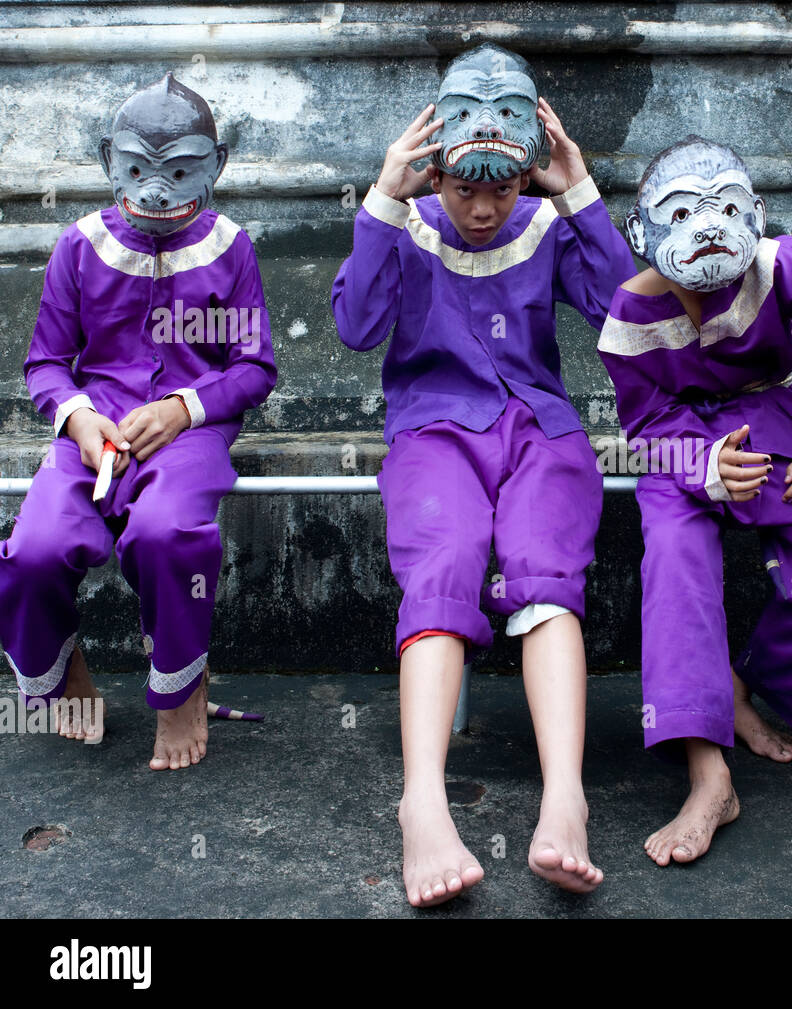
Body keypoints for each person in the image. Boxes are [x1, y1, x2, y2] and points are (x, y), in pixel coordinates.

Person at [332, 43, 635, 905]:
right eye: (464, 186)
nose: (480, 206)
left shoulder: (540, 223)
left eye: (501, 187)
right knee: (445, 557)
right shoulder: (411, 222)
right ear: (436, 172)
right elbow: (355, 327)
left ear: (525, 176)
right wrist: (385, 199)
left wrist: (575, 190)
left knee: (546, 571)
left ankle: (565, 797)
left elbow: (622, 310)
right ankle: (422, 799)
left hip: (542, 432)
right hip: (433, 433)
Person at [0, 74, 277, 770]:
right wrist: (76, 416)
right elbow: (44, 365)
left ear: (216, 165)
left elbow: (254, 369)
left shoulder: (232, 247)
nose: (155, 189)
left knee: (166, 533)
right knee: (33, 549)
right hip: (94, 433)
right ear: (106, 160)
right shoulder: (79, 246)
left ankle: (180, 686)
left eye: (180, 170)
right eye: (135, 169)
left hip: (190, 436)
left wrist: (187, 407)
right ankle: (66, 675)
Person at [598, 137, 792, 866]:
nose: (708, 228)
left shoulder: (786, 265)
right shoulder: (631, 312)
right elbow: (644, 422)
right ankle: (709, 770)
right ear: (644, 232)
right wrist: (705, 467)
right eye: (682, 214)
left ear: (754, 214)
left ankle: (753, 680)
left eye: (726, 209)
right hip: (684, 450)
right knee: (674, 554)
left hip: (783, 422)